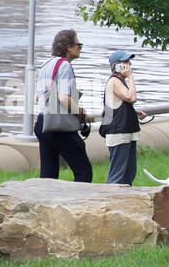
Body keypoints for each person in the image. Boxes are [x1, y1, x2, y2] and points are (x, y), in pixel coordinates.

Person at [34, 29, 92, 182]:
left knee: (48, 177)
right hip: (59, 127)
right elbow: (63, 98)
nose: (80, 47)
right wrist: (80, 113)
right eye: (78, 44)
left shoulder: (46, 64)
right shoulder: (64, 65)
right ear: (69, 47)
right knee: (83, 172)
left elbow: (37, 97)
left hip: (43, 123)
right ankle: (78, 205)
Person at [100, 50, 149, 185]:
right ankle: (110, 202)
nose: (129, 65)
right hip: (118, 133)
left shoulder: (120, 81)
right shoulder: (114, 81)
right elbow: (131, 97)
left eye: (128, 62)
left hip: (126, 131)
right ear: (116, 66)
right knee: (118, 174)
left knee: (129, 172)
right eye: (125, 62)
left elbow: (122, 103)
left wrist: (133, 112)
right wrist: (131, 77)